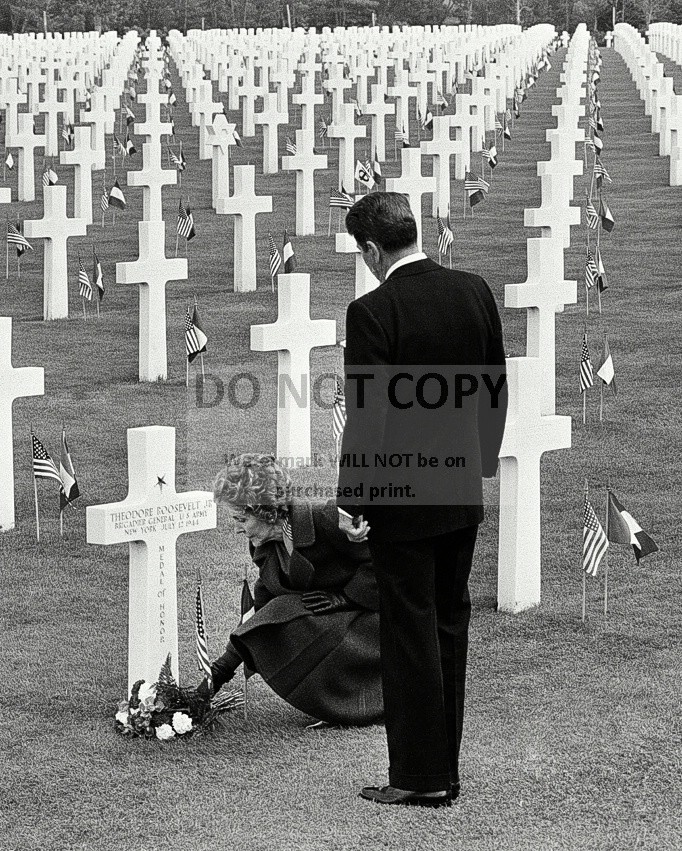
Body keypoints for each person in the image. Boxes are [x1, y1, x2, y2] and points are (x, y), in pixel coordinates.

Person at [337, 192, 508, 807]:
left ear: (374, 250)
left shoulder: (373, 312)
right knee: (448, 625)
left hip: (402, 502)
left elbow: (368, 417)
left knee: (410, 635)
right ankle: (445, 768)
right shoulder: (474, 291)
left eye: (364, 254)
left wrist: (354, 502)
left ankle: (420, 776)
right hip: (459, 489)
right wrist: (481, 462)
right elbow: (495, 388)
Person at [202, 452, 382, 726]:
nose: (238, 530)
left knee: (293, 615)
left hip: (373, 621)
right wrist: (219, 672)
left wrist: (344, 597)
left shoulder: (326, 518)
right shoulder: (264, 543)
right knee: (281, 611)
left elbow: (383, 565)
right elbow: (264, 607)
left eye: (241, 519)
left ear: (265, 510)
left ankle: (372, 699)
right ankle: (336, 706)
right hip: (334, 622)